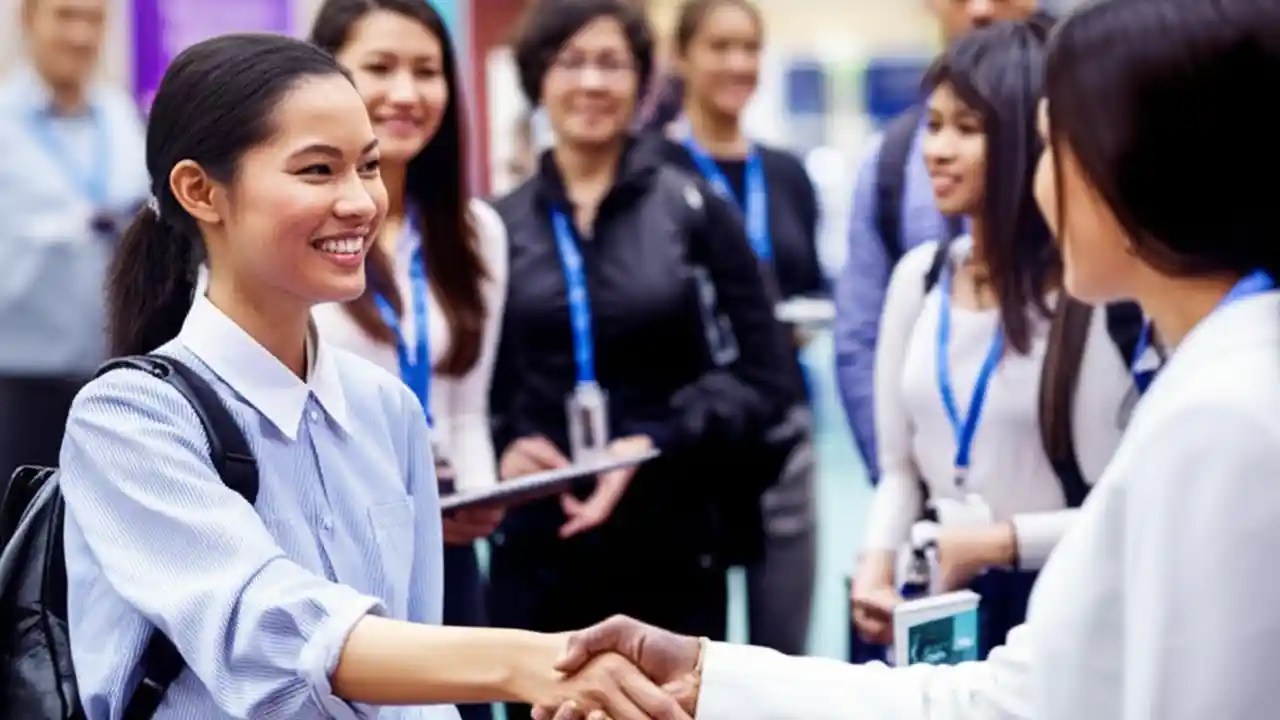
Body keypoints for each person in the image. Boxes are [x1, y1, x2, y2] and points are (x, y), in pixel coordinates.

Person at [534, 0, 1280, 717]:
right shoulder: (1215, 381)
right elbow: (1012, 697)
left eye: (1052, 144)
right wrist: (713, 675)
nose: (1039, 178)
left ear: (1145, 162)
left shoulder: (1222, 418)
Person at [56, 32, 691, 720]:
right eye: (318, 171)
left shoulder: (386, 409)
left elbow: (415, 683)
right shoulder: (128, 421)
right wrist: (532, 664)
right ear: (200, 191)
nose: (362, 201)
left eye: (367, 166)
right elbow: (267, 627)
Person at [487, 1, 791, 717]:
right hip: (540, 547)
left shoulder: (692, 204)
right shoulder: (498, 225)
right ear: (538, 78)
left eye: (612, 63)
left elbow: (767, 378)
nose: (592, 83)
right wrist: (503, 449)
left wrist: (654, 440)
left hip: (669, 542)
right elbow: (476, 388)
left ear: (643, 82)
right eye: (572, 62)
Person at [851, 19, 1131, 659]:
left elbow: (1120, 506)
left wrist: (1000, 542)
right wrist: (874, 563)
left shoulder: (1083, 299)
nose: (937, 150)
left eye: (967, 129)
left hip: (1049, 601)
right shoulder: (918, 279)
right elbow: (900, 467)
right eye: (933, 123)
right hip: (930, 589)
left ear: (1029, 143)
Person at [307, 8, 507, 719]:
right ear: (326, 73)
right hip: (333, 560)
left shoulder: (477, 232)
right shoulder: (299, 226)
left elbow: (466, 408)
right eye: (381, 67)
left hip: (449, 561)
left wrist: (477, 494)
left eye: (427, 71)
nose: (407, 93)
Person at [654, 0, 820, 657]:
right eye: (720, 46)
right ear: (682, 57)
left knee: (785, 652)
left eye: (750, 48)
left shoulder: (785, 174)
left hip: (783, 426)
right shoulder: (657, 171)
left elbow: (810, 283)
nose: (738, 63)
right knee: (692, 650)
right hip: (697, 430)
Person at [832, 0, 1038, 488]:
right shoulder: (893, 161)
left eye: (969, 129)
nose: (983, 9)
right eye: (939, 126)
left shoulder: (1080, 155)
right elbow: (861, 334)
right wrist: (902, 478)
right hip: (932, 494)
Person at [0, 0, 148, 485]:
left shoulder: (120, 117)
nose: (81, 36)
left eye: (94, 19)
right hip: (19, 386)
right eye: (66, 16)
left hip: (110, 381)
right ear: (28, 19)